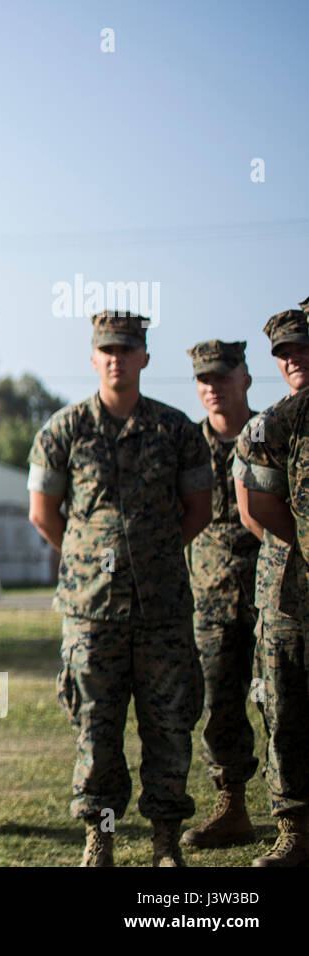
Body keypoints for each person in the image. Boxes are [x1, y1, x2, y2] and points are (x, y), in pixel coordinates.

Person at [28, 311, 211, 866]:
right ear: (92, 358)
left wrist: (149, 558)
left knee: (168, 725)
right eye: (107, 349)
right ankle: (99, 840)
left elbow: (199, 511)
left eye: (127, 349)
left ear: (144, 359)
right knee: (96, 726)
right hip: (91, 613)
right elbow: (43, 513)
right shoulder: (63, 430)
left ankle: (165, 845)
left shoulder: (177, 430)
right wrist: (88, 560)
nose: (116, 358)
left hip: (162, 610)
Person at [232, 305, 309, 866]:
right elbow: (255, 508)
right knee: (284, 709)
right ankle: (295, 830)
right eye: (283, 353)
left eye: (302, 347)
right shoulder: (271, 425)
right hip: (287, 594)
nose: (293, 359)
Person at [179, 340, 260, 849]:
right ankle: (232, 808)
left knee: (288, 706)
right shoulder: (184, 444)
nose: (213, 388)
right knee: (220, 707)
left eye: (222, 377)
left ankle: (296, 812)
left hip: (282, 597)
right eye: (204, 380)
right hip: (210, 600)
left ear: (245, 377)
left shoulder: (272, 432)